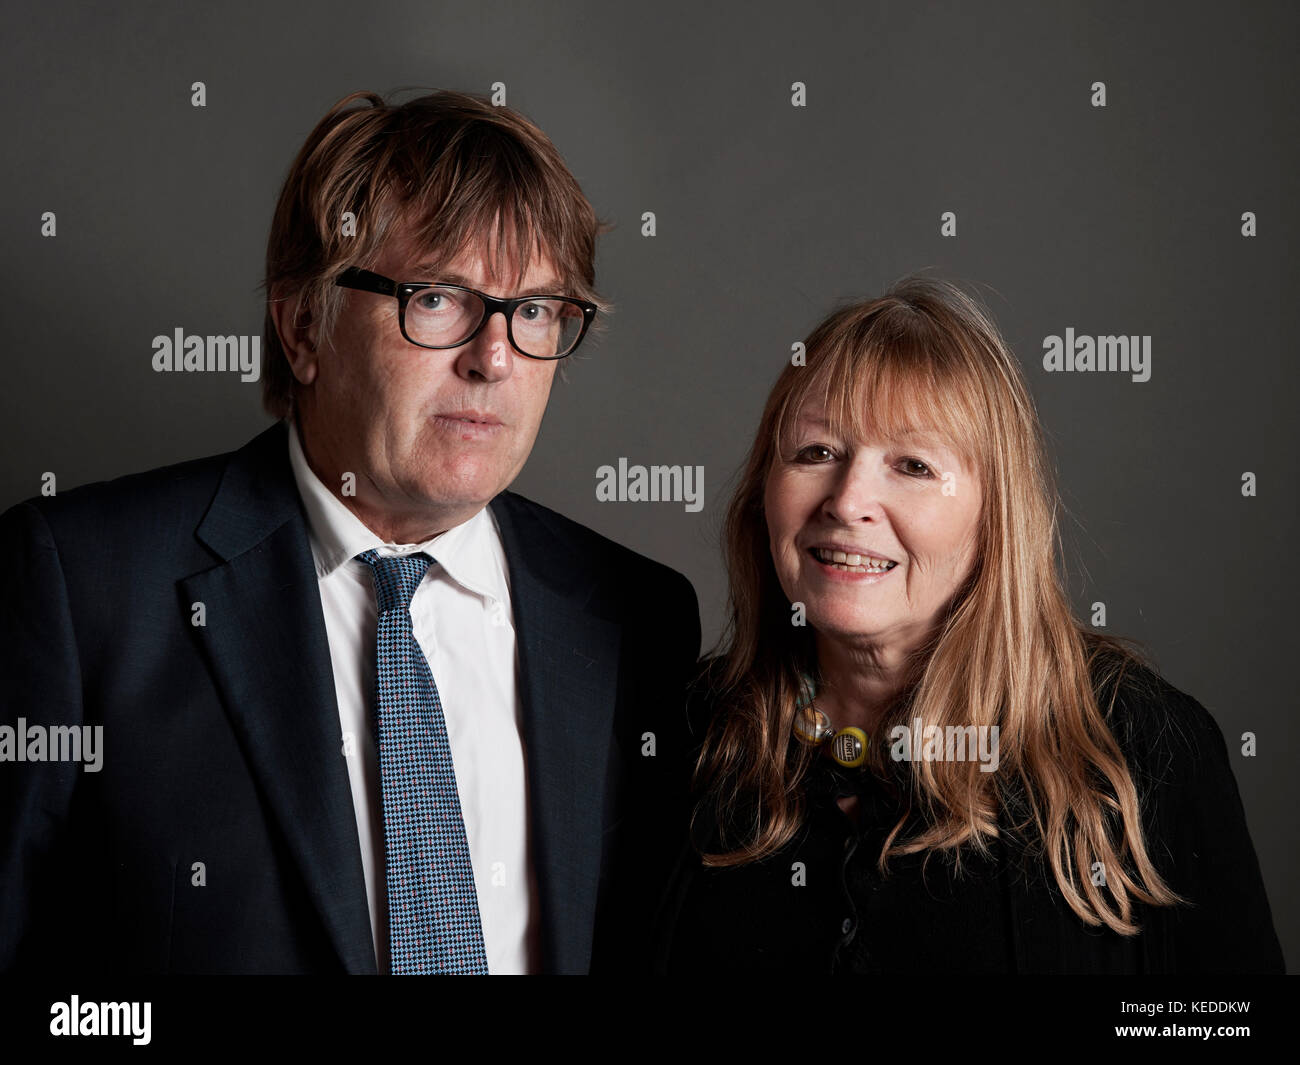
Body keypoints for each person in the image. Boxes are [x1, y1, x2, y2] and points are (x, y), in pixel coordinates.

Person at [0, 89, 700, 975]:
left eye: (533, 310)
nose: (495, 358)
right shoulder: (81, 585)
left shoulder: (637, 619)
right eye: (440, 298)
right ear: (304, 326)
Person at [653, 277, 1284, 974]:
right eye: (817, 452)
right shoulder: (688, 737)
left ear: (996, 519)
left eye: (913, 465)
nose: (849, 500)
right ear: (763, 493)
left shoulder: (1140, 752)